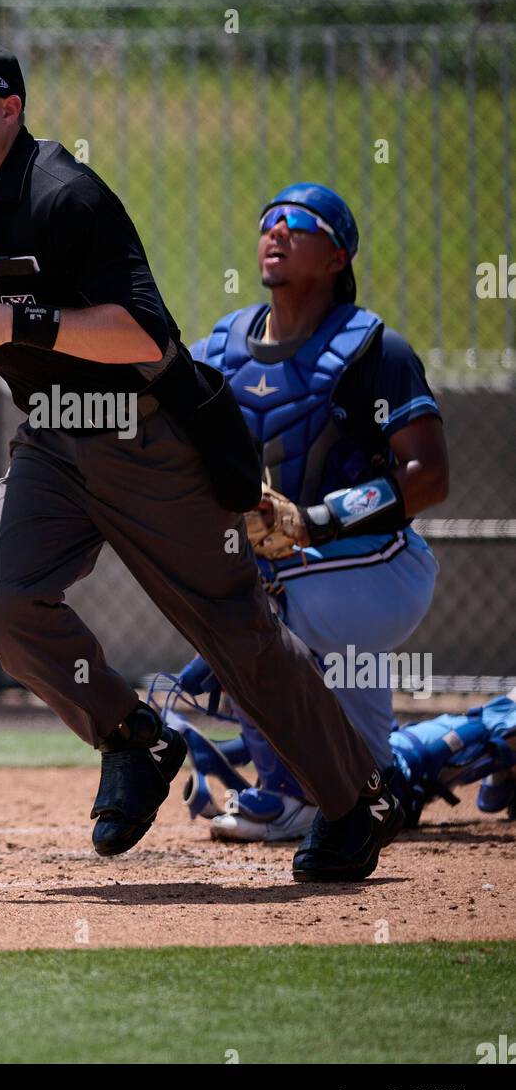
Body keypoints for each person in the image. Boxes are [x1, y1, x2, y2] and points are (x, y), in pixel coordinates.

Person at [0, 40, 403, 881]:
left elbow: (146, 338)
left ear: (9, 110)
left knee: (235, 633)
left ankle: (357, 801)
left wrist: (15, 328)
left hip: (145, 435)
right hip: (55, 436)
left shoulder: (66, 195)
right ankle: (135, 736)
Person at [175, 182, 450, 844]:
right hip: (292, 572)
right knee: (371, 771)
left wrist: (315, 520)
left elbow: (430, 475)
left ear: (338, 256)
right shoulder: (220, 347)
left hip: (378, 565)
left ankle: (294, 791)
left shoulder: (374, 349)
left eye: (298, 223)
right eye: (268, 220)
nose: (276, 231)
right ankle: (447, 750)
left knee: (247, 604)